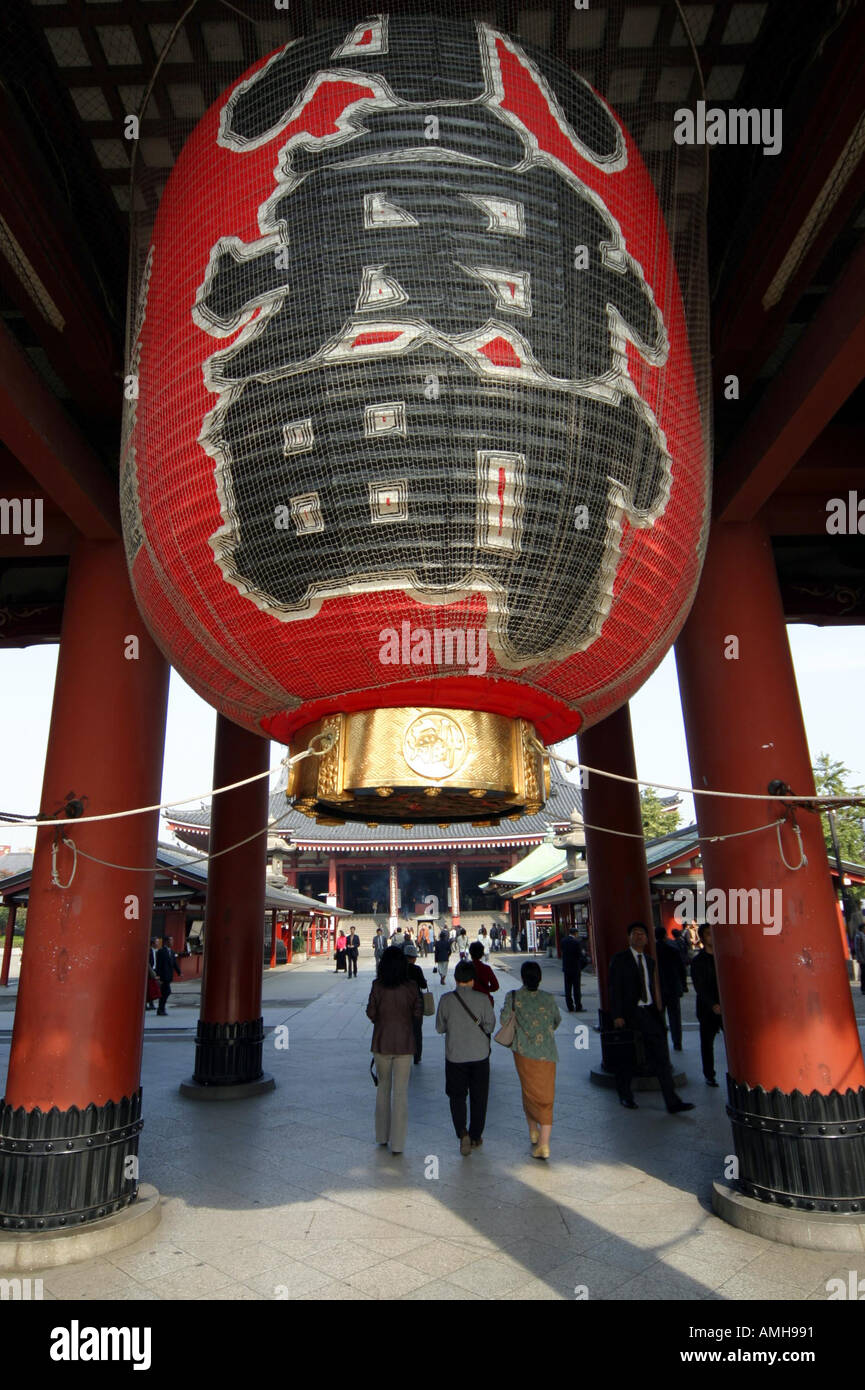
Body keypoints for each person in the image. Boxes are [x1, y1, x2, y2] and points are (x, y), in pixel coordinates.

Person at [609, 922, 694, 1114]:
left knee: (661, 1057)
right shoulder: (619, 959)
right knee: (628, 1057)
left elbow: (652, 986)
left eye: (642, 934)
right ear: (628, 938)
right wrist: (617, 1015)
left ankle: (672, 1101)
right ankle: (625, 1095)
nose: (639, 936)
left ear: (648, 939)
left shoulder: (649, 961)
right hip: (630, 1012)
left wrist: (658, 1007)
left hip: (649, 1012)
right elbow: (614, 988)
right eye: (635, 933)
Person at [499, 960, 561, 1160]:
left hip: (523, 1052)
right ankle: (544, 1143)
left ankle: (533, 1129)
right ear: (540, 978)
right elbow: (556, 1021)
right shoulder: (549, 999)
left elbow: (503, 1020)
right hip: (547, 1053)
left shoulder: (514, 997)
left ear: (523, 978)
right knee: (546, 1097)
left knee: (528, 1091)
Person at [365, 946, 422, 1155]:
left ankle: (381, 1135)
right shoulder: (411, 986)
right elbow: (418, 1012)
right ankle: (398, 1143)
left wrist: (382, 1020)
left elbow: (370, 1012)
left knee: (382, 1090)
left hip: (381, 1043)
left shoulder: (377, 986)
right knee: (400, 1094)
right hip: (405, 1044)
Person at [436, 960, 495, 1154]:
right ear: (473, 980)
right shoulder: (483, 999)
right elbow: (490, 1026)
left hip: (455, 1055)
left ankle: (462, 1133)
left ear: (455, 978)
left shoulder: (446, 1000)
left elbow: (439, 1028)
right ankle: (476, 1136)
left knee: (457, 1096)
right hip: (479, 1054)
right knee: (479, 1097)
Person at [691, 923, 723, 1085]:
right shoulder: (698, 961)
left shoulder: (723, 957)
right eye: (708, 934)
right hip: (707, 1007)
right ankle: (709, 1075)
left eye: (713, 933)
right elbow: (699, 987)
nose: (712, 936)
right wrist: (712, 1004)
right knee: (707, 1043)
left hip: (725, 1007)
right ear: (702, 938)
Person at [654, 924, 688, 1051]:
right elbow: (681, 968)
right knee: (675, 1017)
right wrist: (683, 985)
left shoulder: (652, 951)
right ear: (665, 935)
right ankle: (677, 1042)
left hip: (659, 989)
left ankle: (661, 1041)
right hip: (673, 986)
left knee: (659, 1017)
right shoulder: (673, 949)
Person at [404, 943, 429, 1064]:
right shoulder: (417, 969)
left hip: (402, 1002)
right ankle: (417, 1055)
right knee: (417, 1030)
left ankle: (404, 1053)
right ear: (413, 957)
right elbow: (423, 985)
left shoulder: (400, 969)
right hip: (416, 1002)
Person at [560, 926, 586, 1012]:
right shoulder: (576, 942)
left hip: (566, 968)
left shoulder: (563, 941)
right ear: (576, 933)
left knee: (568, 988)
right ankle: (578, 1006)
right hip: (575, 968)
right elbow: (580, 955)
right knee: (576, 988)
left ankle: (570, 1006)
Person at [155, 935, 181, 1016]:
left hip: (169, 975)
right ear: (166, 942)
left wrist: (179, 972)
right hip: (163, 976)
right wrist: (158, 975)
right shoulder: (161, 951)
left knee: (165, 992)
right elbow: (158, 964)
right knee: (166, 992)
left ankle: (161, 1008)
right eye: (171, 940)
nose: (172, 942)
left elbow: (174, 963)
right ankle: (160, 1008)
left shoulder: (172, 952)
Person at [853, 920, 865, 995]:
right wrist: (861, 959)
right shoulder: (858, 936)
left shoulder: (863, 935)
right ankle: (863, 989)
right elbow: (858, 949)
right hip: (863, 959)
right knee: (864, 974)